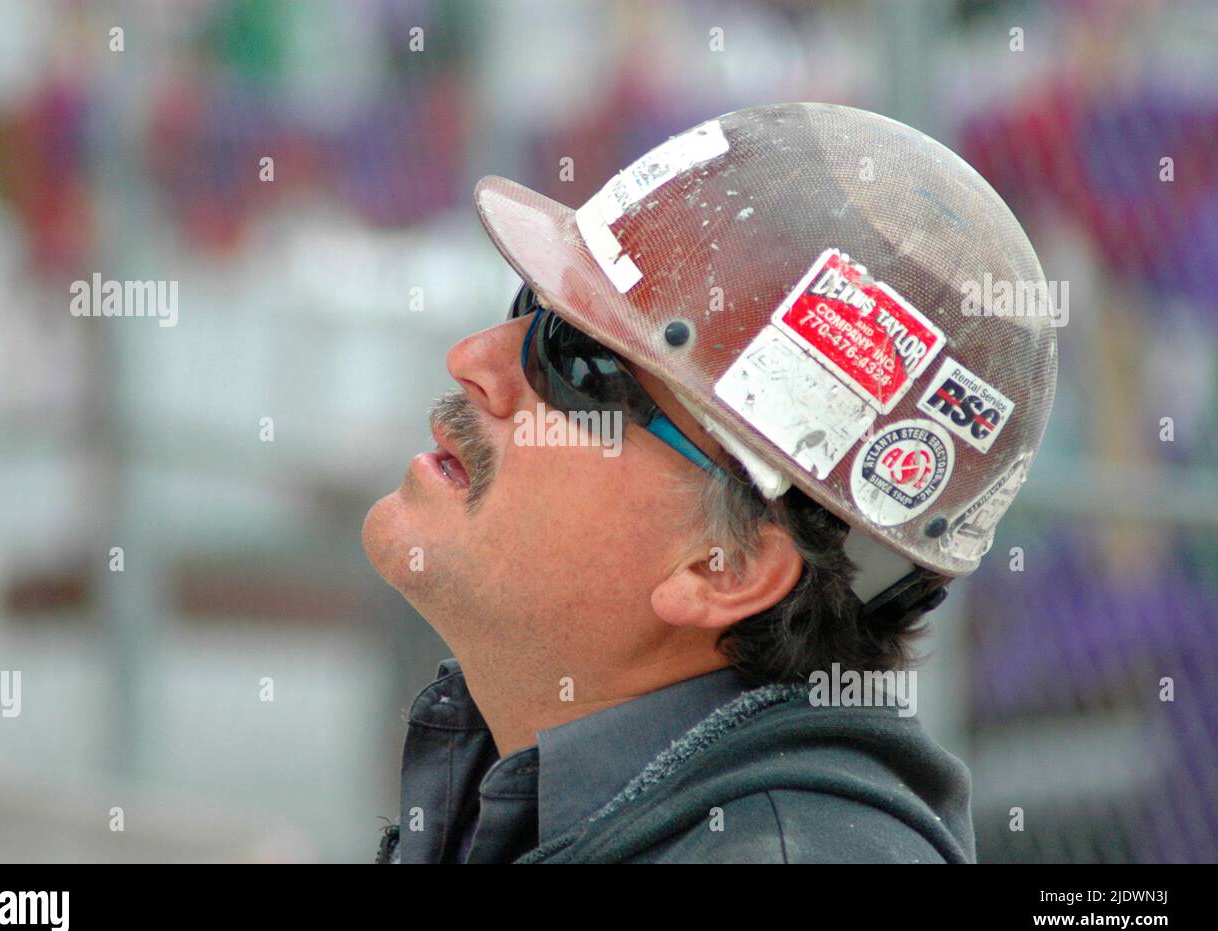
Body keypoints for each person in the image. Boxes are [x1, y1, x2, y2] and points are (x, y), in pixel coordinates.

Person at [362, 102, 1058, 863]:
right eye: (536, 305)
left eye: (578, 362)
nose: (474, 359)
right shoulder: (545, 791)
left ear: (723, 567)